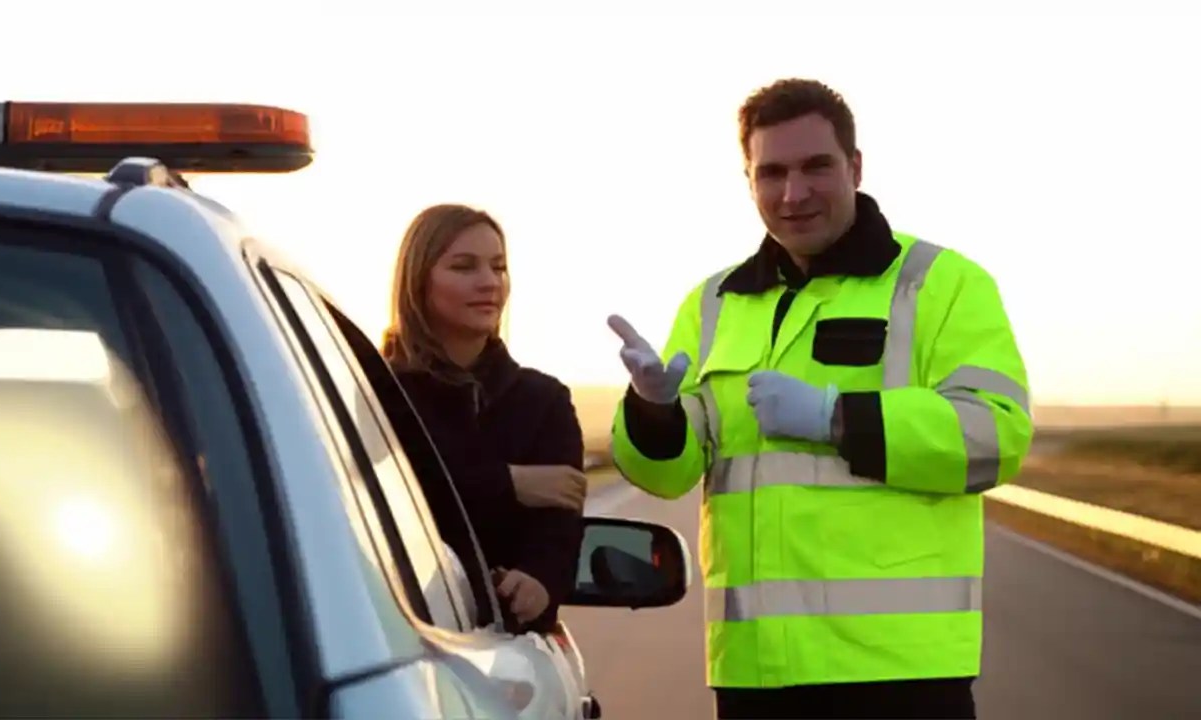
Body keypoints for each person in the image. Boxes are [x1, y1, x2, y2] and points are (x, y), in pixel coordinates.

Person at [607, 78, 1032, 719]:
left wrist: (836, 418)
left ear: (855, 167)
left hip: (899, 675)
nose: (793, 193)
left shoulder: (942, 284)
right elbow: (671, 475)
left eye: (816, 167)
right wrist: (653, 411)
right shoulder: (713, 303)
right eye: (770, 172)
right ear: (747, 179)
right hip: (756, 674)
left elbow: (995, 436)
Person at [382, 203, 587, 634]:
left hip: (509, 647)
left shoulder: (544, 399)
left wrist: (541, 583)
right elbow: (393, 498)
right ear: (418, 280)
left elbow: (559, 529)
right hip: (393, 630)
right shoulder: (377, 391)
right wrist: (510, 483)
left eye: (498, 267)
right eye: (464, 267)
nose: (489, 283)